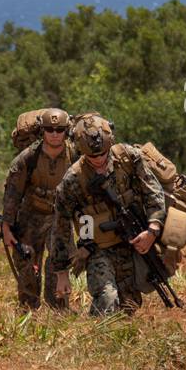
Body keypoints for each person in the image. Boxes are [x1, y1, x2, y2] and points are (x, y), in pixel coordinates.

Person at [49, 114, 167, 316]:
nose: (99, 160)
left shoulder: (129, 157)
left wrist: (153, 230)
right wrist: (61, 273)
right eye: (92, 157)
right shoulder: (72, 180)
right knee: (107, 299)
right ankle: (94, 340)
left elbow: (153, 192)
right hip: (97, 249)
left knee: (129, 306)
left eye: (103, 153)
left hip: (131, 243)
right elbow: (60, 226)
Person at [0, 108, 75, 310]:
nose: (54, 134)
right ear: (42, 130)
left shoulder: (75, 156)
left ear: (66, 131)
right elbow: (12, 195)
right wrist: (6, 228)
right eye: (49, 129)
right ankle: (28, 310)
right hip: (30, 216)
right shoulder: (27, 158)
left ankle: (58, 310)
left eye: (59, 129)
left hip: (59, 218)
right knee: (26, 265)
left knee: (58, 263)